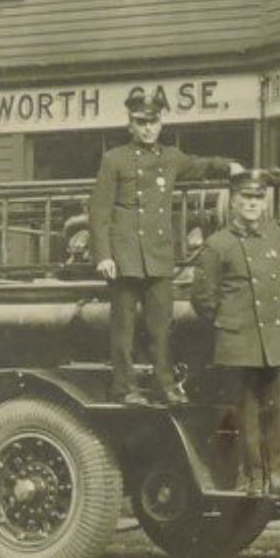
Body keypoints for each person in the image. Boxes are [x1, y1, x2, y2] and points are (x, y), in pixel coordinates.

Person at [90, 86, 231, 406]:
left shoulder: (171, 158)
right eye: (141, 122)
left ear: (161, 124)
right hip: (125, 257)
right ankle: (124, 388)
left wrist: (229, 166)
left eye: (152, 122)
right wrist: (104, 256)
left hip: (157, 255)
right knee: (123, 327)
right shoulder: (114, 160)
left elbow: (200, 164)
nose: (147, 128)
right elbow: (99, 210)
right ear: (131, 125)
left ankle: (164, 385)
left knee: (162, 327)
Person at [191, 168, 280, 498]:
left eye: (258, 198)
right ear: (234, 201)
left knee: (277, 408)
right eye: (246, 198)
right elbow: (203, 299)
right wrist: (230, 322)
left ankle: (278, 475)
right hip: (238, 339)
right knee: (248, 412)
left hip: (274, 338)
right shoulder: (218, 245)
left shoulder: (274, 235)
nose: (253, 204)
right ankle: (253, 475)